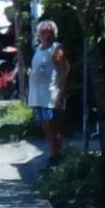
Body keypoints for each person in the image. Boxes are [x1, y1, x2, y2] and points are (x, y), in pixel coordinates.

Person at [29, 19, 71, 166]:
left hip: (52, 94)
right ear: (38, 34)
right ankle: (53, 153)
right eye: (43, 32)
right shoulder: (39, 49)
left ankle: (57, 155)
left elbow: (66, 71)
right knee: (45, 125)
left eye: (50, 32)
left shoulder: (57, 49)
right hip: (39, 95)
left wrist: (62, 93)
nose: (47, 35)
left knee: (53, 125)